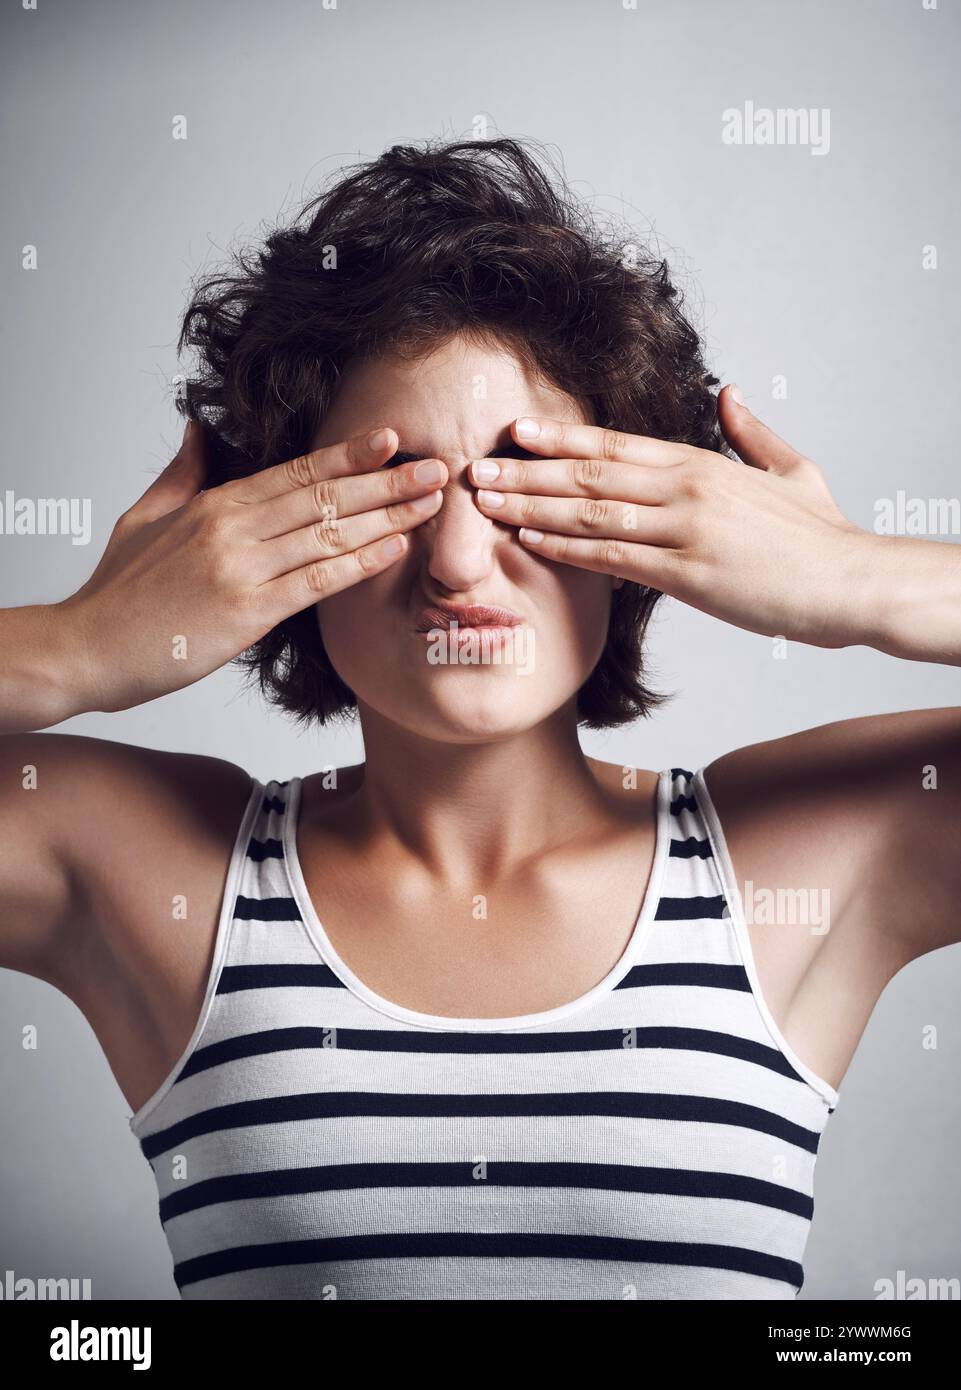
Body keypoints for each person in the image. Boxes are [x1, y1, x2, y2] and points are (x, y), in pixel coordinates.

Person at [1, 138, 958, 1301]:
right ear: (267, 540)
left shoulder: (801, 858)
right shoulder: (165, 873)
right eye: (387, 492)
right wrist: (79, 645)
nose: (457, 559)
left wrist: (861, 582)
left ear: (647, 519)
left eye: (522, 483)